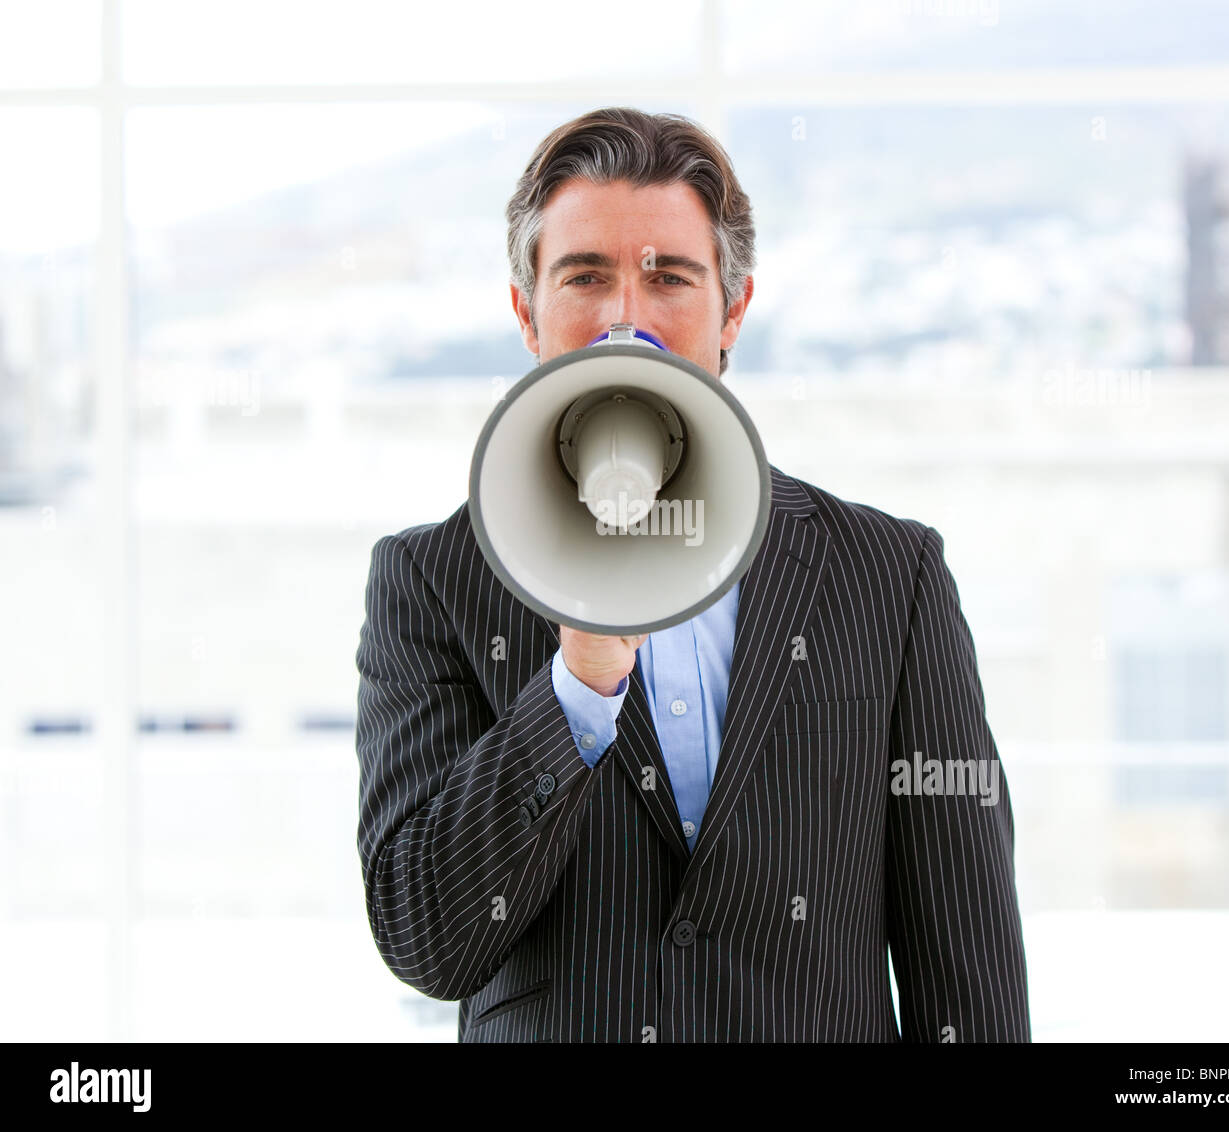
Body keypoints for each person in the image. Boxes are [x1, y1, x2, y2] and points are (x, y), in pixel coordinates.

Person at [355, 106, 1031, 1042]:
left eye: (668, 277)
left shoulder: (889, 575)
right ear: (527, 313)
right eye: (584, 276)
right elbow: (425, 937)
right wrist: (575, 690)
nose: (625, 315)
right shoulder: (431, 580)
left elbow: (968, 961)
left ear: (733, 312)